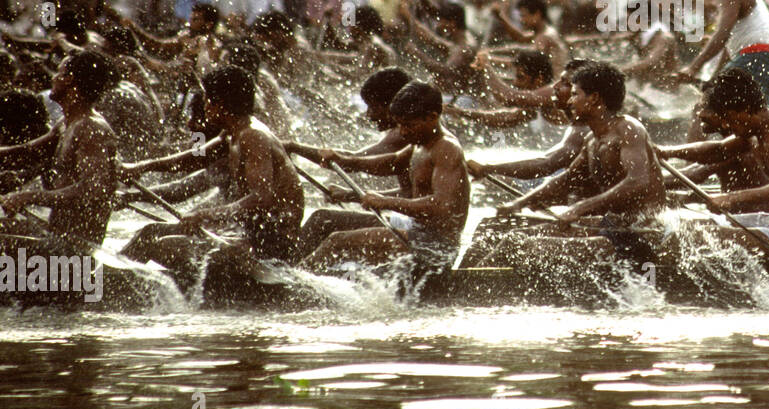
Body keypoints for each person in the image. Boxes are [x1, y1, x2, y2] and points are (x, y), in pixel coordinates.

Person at [659, 67, 769, 285]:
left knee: (702, 237)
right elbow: (717, 150)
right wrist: (666, 151)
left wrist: (732, 198)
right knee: (688, 228)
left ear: (745, 108)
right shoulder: (753, 134)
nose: (725, 125)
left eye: (729, 118)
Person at [122, 66, 304, 268]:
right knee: (150, 232)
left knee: (162, 246)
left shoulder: (253, 136)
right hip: (247, 232)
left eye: (208, 99)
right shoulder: (231, 133)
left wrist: (204, 215)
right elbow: (194, 158)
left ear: (222, 105)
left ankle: (101, 286)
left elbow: (262, 197)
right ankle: (100, 281)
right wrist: (141, 167)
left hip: (272, 243)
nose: (205, 105)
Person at [491, 62, 666, 267]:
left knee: (519, 245)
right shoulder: (592, 139)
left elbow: (638, 181)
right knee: (502, 234)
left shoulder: (629, 129)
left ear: (594, 99)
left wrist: (580, 208)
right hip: (613, 226)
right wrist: (519, 203)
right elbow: (567, 179)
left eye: (575, 94)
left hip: (644, 233)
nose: (570, 101)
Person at [299, 82, 469, 273]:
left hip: (434, 246)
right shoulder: (421, 142)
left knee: (337, 242)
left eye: (409, 125)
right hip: (412, 228)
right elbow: (391, 163)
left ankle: (291, 285)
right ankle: (288, 267)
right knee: (324, 219)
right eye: (400, 125)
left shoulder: (446, 149)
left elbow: (442, 206)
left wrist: (384, 202)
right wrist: (345, 161)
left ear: (432, 117)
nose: (403, 132)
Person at [0, 51, 119, 254]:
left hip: (74, 248)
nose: (53, 78)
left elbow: (92, 190)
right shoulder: (67, 123)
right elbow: (27, 152)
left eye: (58, 72)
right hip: (54, 235)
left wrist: (28, 197)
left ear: (69, 81)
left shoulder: (91, 129)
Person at [491, 0, 570, 73]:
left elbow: (524, 64)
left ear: (537, 14)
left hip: (551, 83)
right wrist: (500, 17)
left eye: (524, 16)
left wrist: (490, 59)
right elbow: (520, 38)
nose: (522, 20)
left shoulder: (545, 37)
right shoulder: (542, 31)